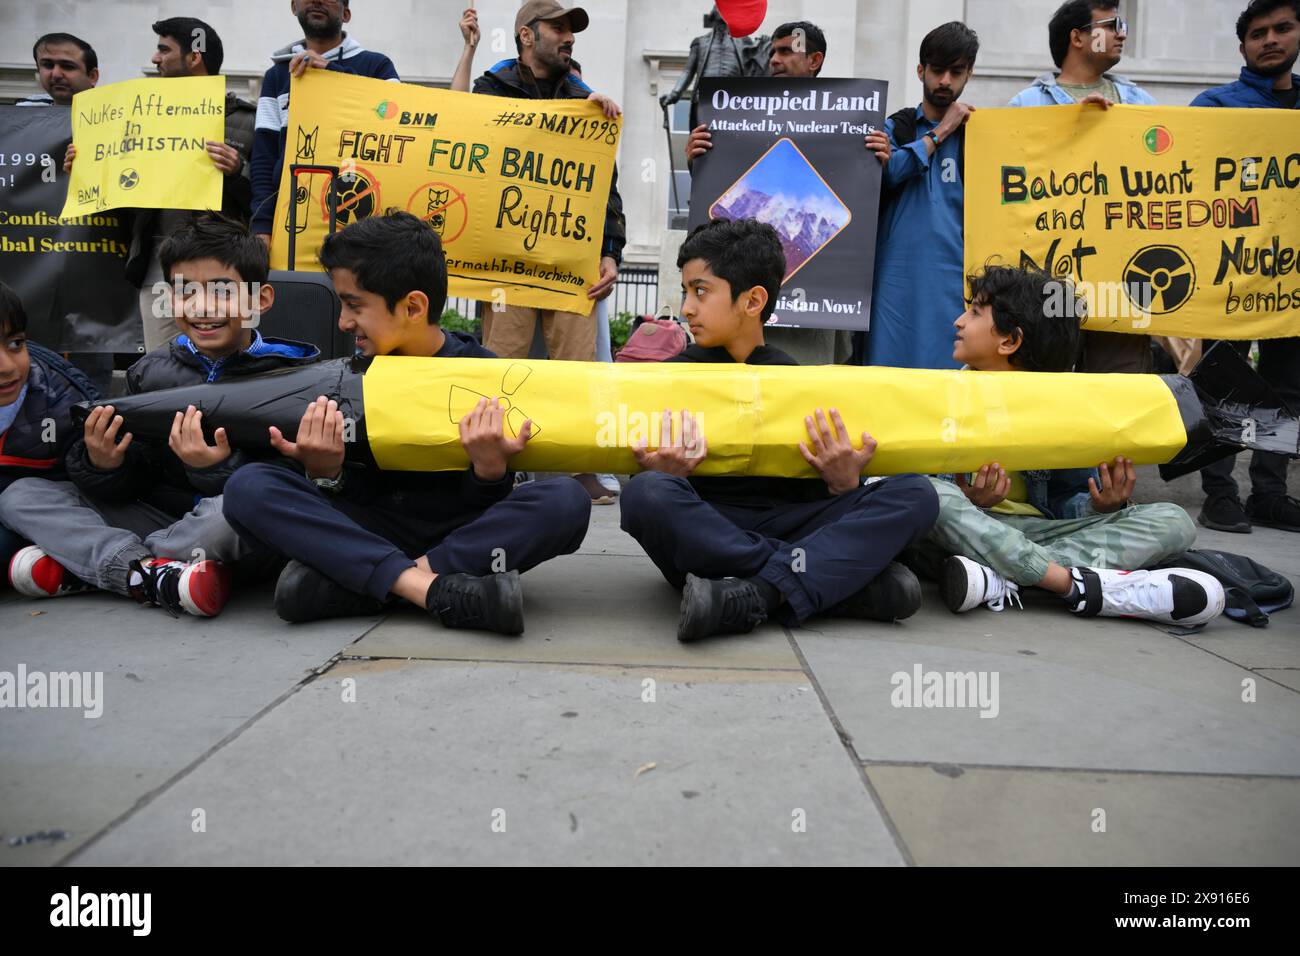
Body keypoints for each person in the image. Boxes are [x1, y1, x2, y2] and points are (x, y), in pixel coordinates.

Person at [222, 212, 592, 634]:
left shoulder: (485, 375)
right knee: (249, 487)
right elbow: (362, 492)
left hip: (458, 536)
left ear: (413, 306)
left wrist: (489, 472)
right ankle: (433, 592)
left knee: (566, 500)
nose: (343, 322)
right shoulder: (347, 376)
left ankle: (367, 583)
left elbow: (485, 503)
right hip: (372, 527)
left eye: (354, 304)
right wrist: (328, 473)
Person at [619, 218, 940, 642]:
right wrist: (663, 473)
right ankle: (833, 585)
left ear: (752, 301)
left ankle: (758, 593)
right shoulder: (671, 378)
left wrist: (843, 485)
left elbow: (815, 493)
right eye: (685, 292)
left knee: (916, 494)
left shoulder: (797, 380)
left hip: (786, 525)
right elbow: (644, 476)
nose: (686, 309)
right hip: (710, 529)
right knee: (646, 495)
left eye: (701, 291)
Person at [0, 215, 317, 616]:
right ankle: (152, 573)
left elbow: (292, 483)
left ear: (261, 299)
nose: (202, 307)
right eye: (186, 292)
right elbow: (137, 475)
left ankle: (105, 569)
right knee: (22, 495)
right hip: (156, 517)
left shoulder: (293, 375)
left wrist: (215, 469)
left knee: (233, 510)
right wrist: (104, 463)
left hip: (227, 529)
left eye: (222, 292)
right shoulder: (149, 372)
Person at [912, 265, 1224, 627]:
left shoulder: (1061, 406)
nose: (958, 321)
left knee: (1174, 521)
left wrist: (1098, 505)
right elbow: (919, 500)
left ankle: (1003, 579)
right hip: (968, 532)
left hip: (1030, 535)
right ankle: (1065, 583)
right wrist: (970, 502)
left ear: (1010, 341)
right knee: (928, 494)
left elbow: (1065, 502)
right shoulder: (942, 395)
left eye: (975, 312)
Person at [471, 1, 627, 504]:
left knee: (574, 369)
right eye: (558, 28)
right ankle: (500, 465)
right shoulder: (490, 91)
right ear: (525, 35)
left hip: (570, 262)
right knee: (504, 364)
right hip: (505, 262)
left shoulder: (589, 106)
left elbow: (606, 190)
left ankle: (572, 465)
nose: (569, 38)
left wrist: (610, 253)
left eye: (571, 31)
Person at [686, 20, 892, 366]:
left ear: (815, 60)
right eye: (773, 52)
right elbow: (718, 192)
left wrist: (877, 163)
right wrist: (697, 159)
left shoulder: (852, 123)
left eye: (786, 51)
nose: (775, 59)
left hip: (816, 313)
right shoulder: (738, 113)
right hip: (746, 310)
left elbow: (863, 204)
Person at [63, 18, 257, 353]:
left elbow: (270, 198)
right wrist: (84, 171)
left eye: (163, 50)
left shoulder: (246, 120)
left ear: (194, 56)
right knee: (162, 364)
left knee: (233, 363)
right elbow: (119, 194)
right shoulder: (135, 118)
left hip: (227, 264)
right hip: (158, 267)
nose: (155, 59)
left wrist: (239, 170)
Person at [1189, 0, 1300, 534]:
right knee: (1224, 382)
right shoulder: (1213, 106)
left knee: (1286, 386)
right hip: (1226, 274)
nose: (1271, 40)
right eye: (1259, 34)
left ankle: (1270, 493)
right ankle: (1220, 493)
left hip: (1292, 277)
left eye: (1282, 29)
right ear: (1243, 47)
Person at [1007, 1, 1156, 375]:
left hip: (1121, 281)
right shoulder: (1026, 105)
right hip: (1050, 277)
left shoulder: (1140, 103)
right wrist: (1070, 128)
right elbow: (1009, 187)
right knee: (1047, 380)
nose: (1122, 33)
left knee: (1119, 386)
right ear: (1077, 37)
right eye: (1111, 25)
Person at [865, 21, 979, 371]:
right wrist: (943, 130)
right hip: (894, 277)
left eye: (956, 72)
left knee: (949, 377)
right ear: (920, 71)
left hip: (954, 277)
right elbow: (891, 173)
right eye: (937, 70)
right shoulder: (894, 126)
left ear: (968, 75)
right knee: (886, 375)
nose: (945, 80)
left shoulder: (981, 135)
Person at [250, 0, 399, 246]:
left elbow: (395, 123)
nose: (317, 0)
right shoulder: (276, 76)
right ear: (293, 7)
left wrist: (334, 73)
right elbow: (264, 158)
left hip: (363, 222)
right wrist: (261, 226)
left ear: (346, 13)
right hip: (291, 221)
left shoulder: (379, 66)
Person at [0, 283, 99, 582]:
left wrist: (102, 464)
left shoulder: (63, 403)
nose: (6, 366)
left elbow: (113, 495)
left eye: (15, 344)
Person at [18, 33, 98, 107]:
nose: (56, 74)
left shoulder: (109, 114)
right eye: (48, 65)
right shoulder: (20, 113)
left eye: (68, 66)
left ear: (92, 76)